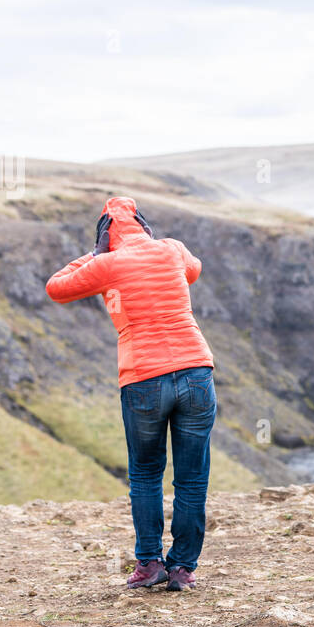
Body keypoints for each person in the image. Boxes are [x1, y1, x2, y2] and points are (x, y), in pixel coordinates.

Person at [45, 197, 215, 592]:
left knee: (145, 474)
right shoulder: (170, 249)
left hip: (144, 378)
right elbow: (194, 270)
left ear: (106, 233)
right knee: (191, 480)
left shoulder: (105, 264)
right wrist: (152, 241)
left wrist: (93, 253)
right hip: (196, 371)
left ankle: (149, 564)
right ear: (142, 223)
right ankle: (183, 570)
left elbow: (57, 288)